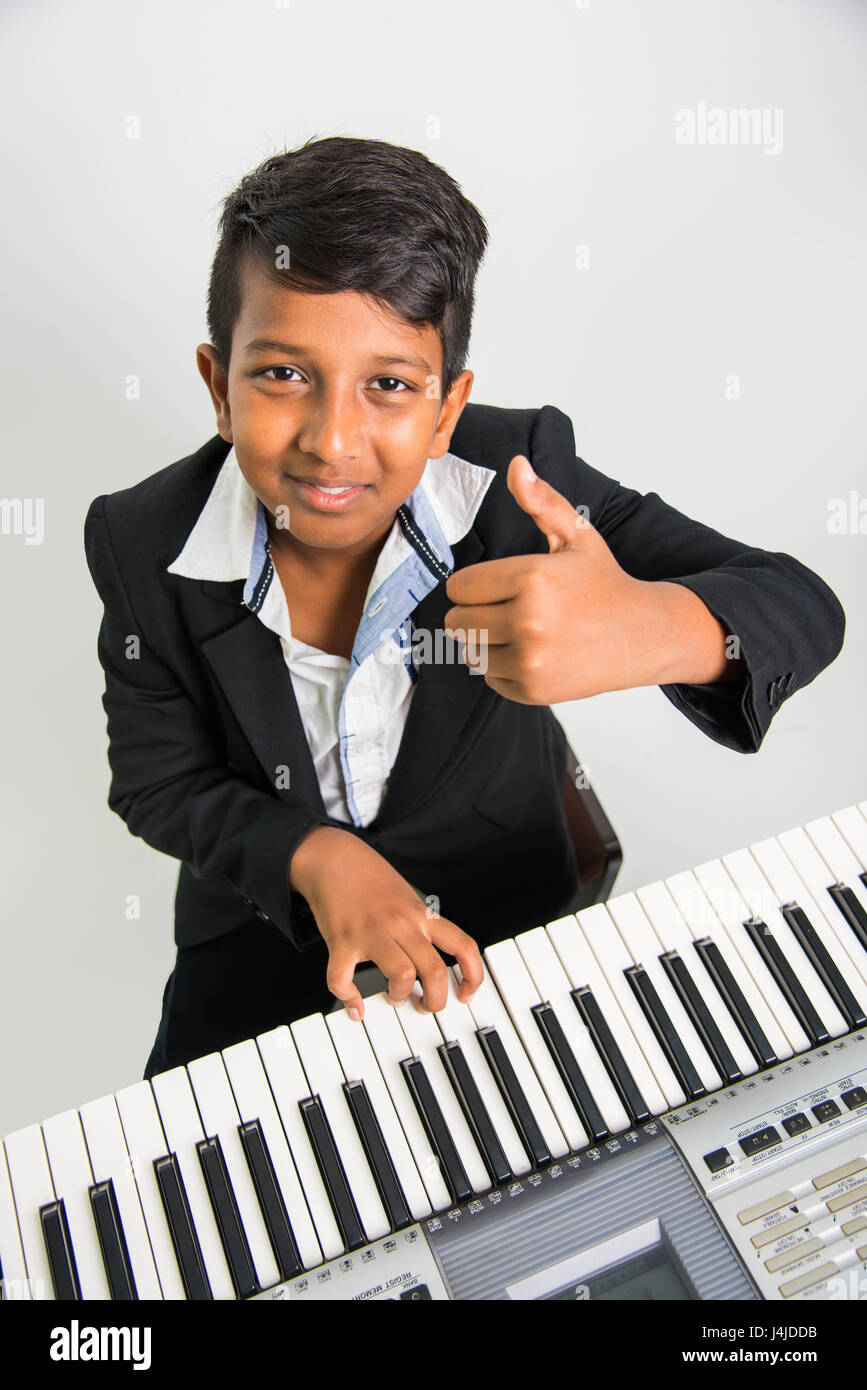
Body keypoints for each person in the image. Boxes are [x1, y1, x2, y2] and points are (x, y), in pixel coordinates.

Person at [83, 136, 846, 1080]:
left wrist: (642, 630)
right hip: (260, 923)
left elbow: (800, 603)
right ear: (217, 386)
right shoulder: (140, 540)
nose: (333, 440)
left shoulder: (521, 481)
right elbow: (156, 781)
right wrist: (314, 859)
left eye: (392, 386)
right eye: (282, 375)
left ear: (447, 409)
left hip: (505, 907)